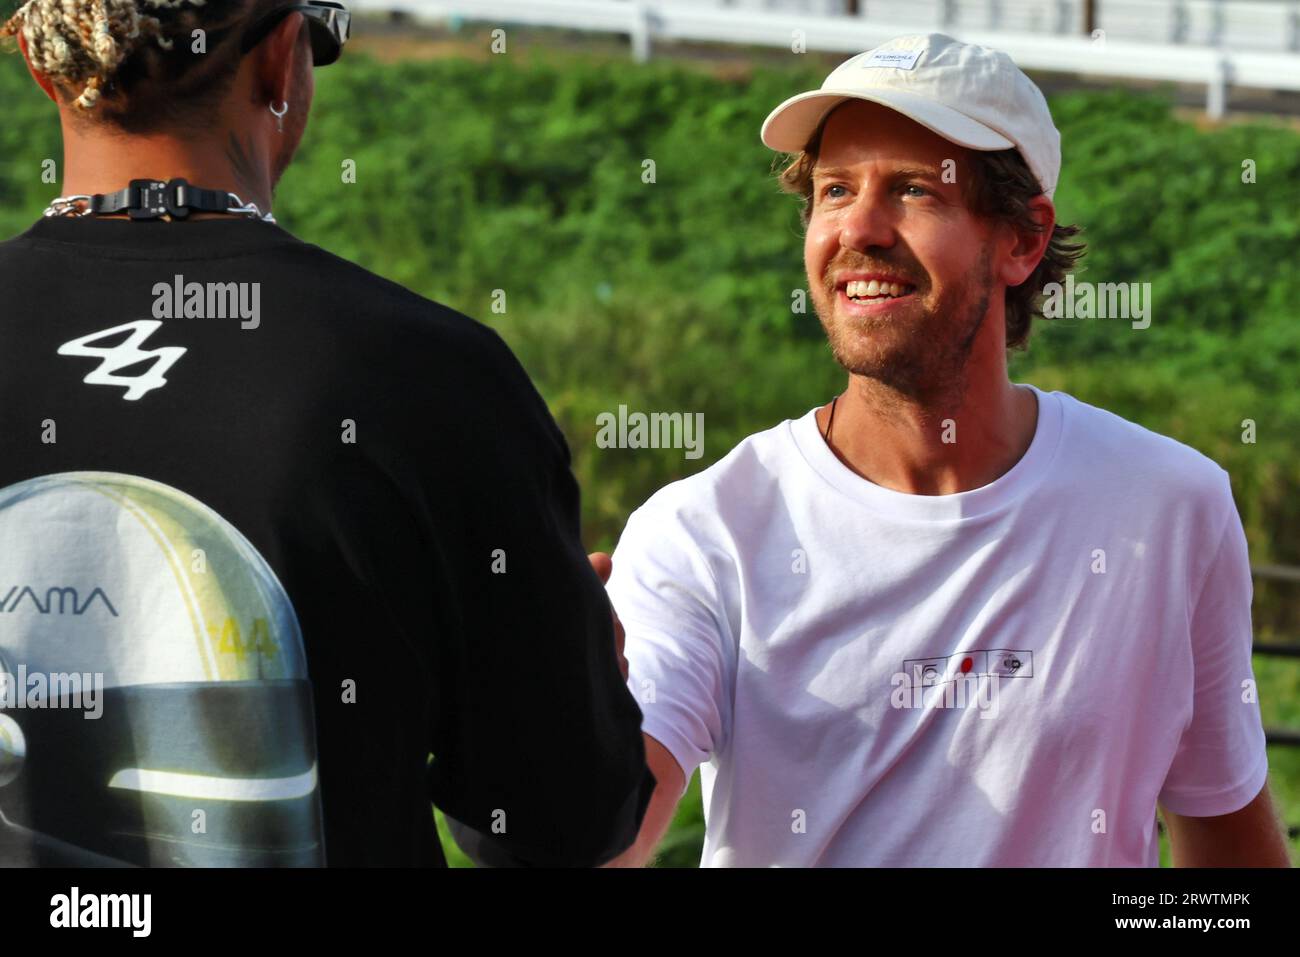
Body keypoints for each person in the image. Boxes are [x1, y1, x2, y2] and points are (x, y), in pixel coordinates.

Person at [603, 33, 1291, 867]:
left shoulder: (1170, 506)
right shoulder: (702, 533)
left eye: (914, 191)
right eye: (834, 189)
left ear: (1022, 240)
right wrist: (565, 707)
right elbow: (609, 836)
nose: (859, 226)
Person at [0, 0, 652, 866]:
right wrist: (580, 669)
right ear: (280, 59)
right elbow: (557, 825)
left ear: (46, 70)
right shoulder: (432, 373)